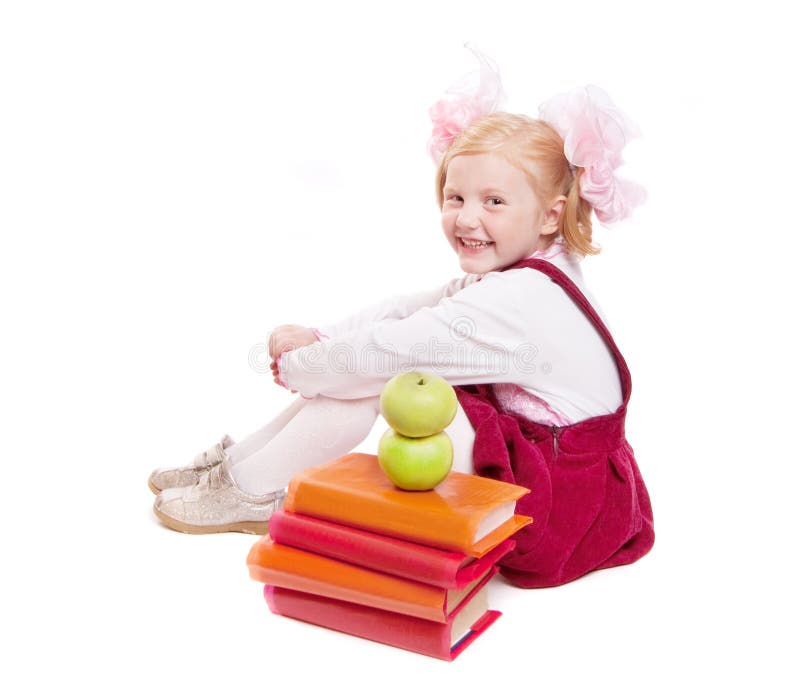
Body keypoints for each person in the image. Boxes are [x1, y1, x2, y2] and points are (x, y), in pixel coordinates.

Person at [149, 44, 654, 587]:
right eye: (455, 197)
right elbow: (411, 308)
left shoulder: (522, 300)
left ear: (551, 215)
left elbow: (392, 350)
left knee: (381, 377)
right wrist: (321, 337)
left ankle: (249, 487)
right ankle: (241, 469)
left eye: (494, 202)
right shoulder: (524, 270)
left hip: (559, 502)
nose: (467, 217)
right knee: (376, 364)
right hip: (555, 465)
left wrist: (303, 365)